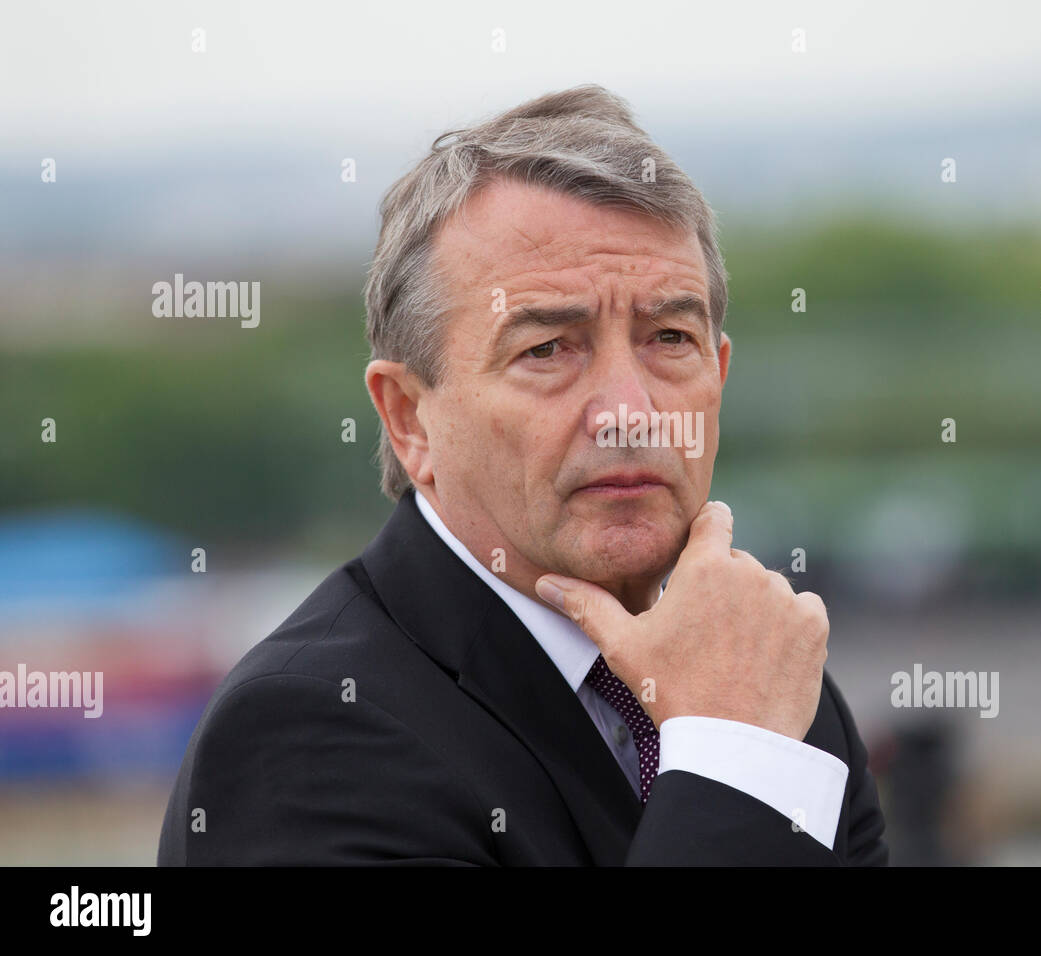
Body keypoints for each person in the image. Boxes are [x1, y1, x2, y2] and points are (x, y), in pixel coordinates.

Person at [157, 84, 888, 865]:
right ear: (409, 418)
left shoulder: (761, 676)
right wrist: (733, 762)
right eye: (547, 349)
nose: (629, 411)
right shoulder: (307, 734)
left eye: (670, 338)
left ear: (720, 373)